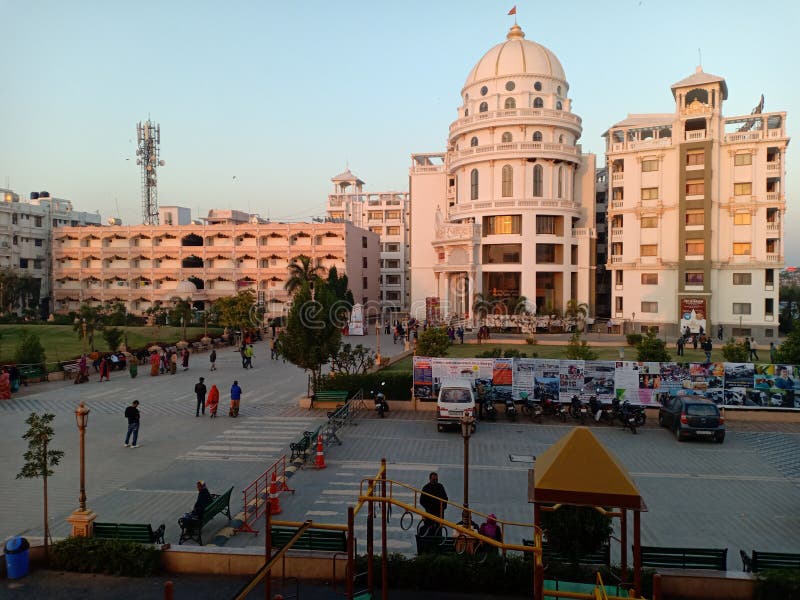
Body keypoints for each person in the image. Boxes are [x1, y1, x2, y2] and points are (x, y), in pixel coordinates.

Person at [419, 472, 448, 536]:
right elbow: (422, 501)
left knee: (438, 530)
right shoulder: (426, 488)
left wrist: (443, 508)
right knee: (429, 529)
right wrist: (428, 507)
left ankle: (438, 542)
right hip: (430, 513)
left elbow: (445, 498)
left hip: (439, 513)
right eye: (433, 479)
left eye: (436, 480)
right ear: (430, 479)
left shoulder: (440, 487)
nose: (435, 481)